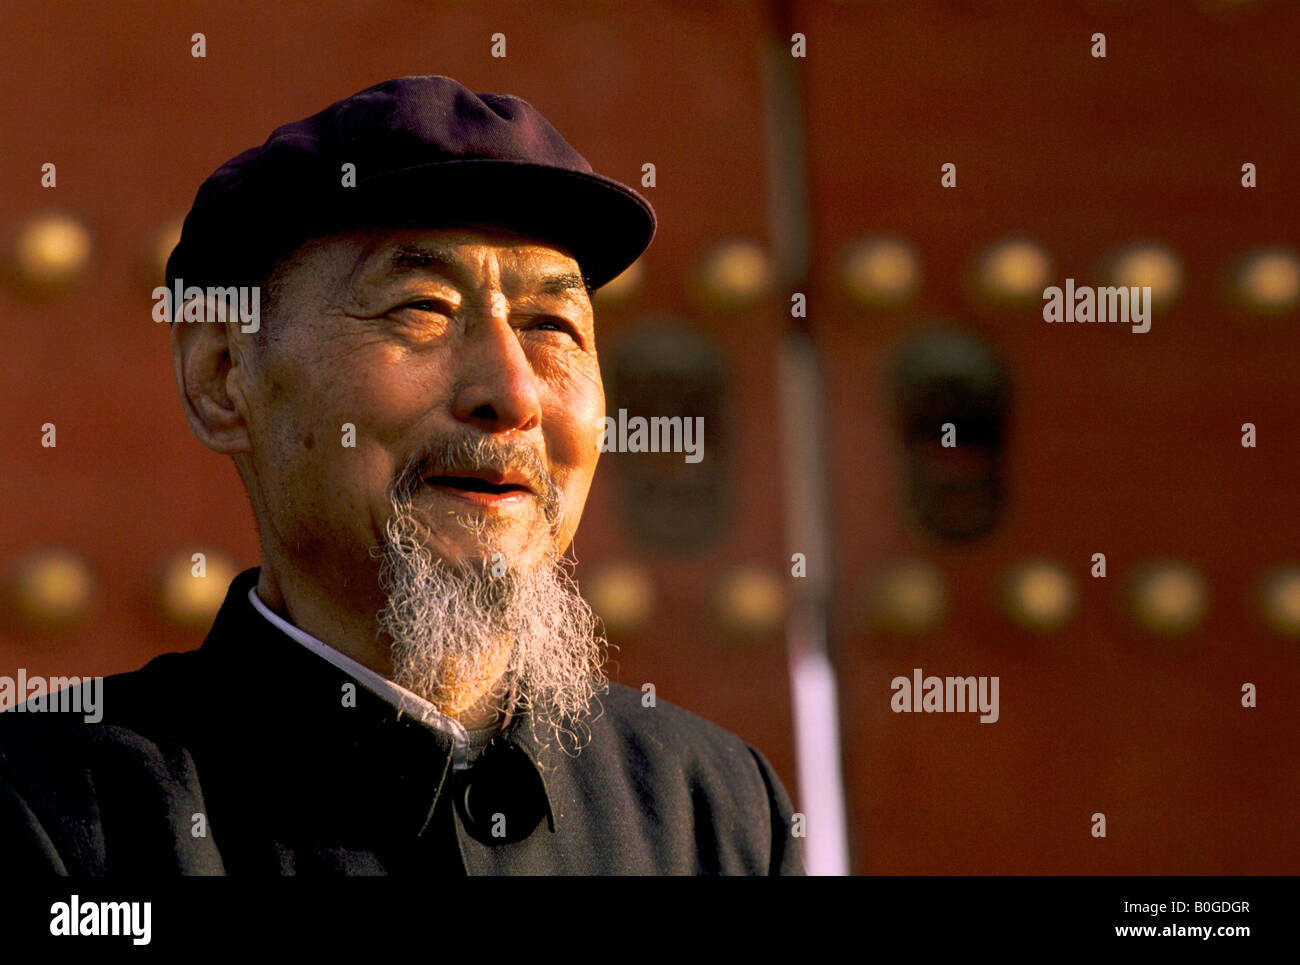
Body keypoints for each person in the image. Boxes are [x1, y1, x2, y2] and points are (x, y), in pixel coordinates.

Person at [0, 75, 805, 875]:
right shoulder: (62, 816)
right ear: (222, 377)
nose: (513, 392)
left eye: (552, 325)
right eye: (420, 308)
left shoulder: (716, 814)